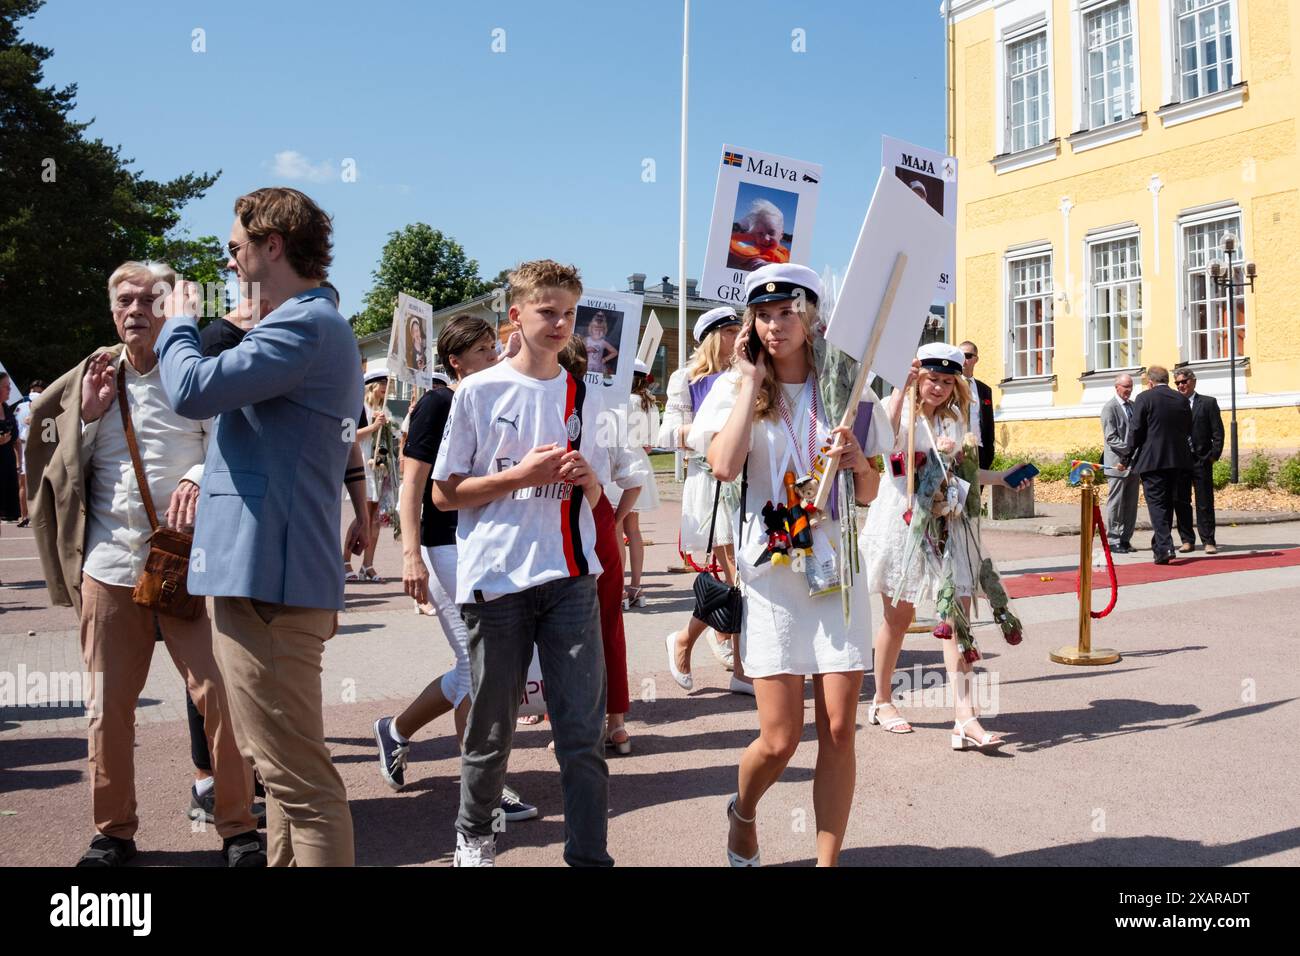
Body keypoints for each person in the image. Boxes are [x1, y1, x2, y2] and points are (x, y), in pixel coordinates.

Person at [25, 260, 261, 867]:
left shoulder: (195, 372)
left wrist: (193, 475)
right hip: (108, 564)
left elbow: (229, 442)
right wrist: (86, 417)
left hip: (189, 561)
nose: (135, 310)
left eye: (148, 299)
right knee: (108, 707)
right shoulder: (90, 378)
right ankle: (114, 832)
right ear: (112, 310)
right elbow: (46, 465)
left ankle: (237, 826)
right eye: (124, 300)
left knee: (221, 698)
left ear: (168, 307)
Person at [155, 187, 365, 867]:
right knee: (281, 778)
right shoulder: (308, 321)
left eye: (238, 240)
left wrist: (180, 325)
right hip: (270, 577)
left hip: (269, 581)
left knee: (301, 785)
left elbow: (190, 389)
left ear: (273, 244)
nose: (230, 251)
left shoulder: (304, 324)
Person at [690, 263, 882, 867]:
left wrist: (857, 463)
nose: (775, 325)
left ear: (812, 316)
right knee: (779, 740)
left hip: (836, 569)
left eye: (787, 312)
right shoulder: (731, 386)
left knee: (841, 731)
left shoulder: (847, 387)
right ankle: (742, 810)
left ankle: (828, 862)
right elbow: (723, 466)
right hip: (772, 572)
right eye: (764, 316)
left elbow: (873, 492)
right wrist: (749, 383)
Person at [431, 259, 612, 868]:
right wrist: (518, 477)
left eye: (569, 314)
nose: (562, 324)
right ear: (516, 315)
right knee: (492, 726)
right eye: (548, 312)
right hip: (498, 581)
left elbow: (602, 492)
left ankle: (589, 857)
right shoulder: (479, 390)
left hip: (570, 579)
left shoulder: (586, 391)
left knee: (582, 734)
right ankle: (474, 836)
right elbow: (443, 492)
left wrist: (587, 480)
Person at [376, 313, 537, 822]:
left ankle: (396, 730)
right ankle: (484, 790)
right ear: (456, 361)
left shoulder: (488, 398)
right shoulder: (438, 403)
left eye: (496, 347)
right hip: (443, 547)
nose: (494, 357)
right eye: (484, 351)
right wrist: (410, 556)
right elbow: (411, 485)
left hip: (479, 544)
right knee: (476, 667)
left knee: (478, 665)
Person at [865, 343, 1032, 748]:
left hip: (948, 523)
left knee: (957, 616)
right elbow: (881, 447)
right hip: (904, 521)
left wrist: (1004, 476)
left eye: (945, 381)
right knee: (898, 617)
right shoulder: (899, 406)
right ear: (917, 378)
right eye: (931, 379)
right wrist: (902, 392)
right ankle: (882, 700)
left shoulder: (956, 420)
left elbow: (965, 473)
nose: (937, 388)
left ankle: (965, 717)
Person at [558, 334, 644, 755]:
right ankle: (615, 721)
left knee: (553, 619)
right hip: (597, 512)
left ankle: (565, 714)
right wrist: (614, 520)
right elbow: (636, 476)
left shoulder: (550, 400)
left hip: (563, 513)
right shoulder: (608, 406)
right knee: (607, 620)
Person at [659, 306, 747, 687]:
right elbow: (665, 436)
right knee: (738, 575)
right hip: (712, 482)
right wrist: (708, 430)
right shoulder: (686, 377)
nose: (739, 335)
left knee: (746, 575)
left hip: (749, 480)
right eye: (730, 330)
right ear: (714, 336)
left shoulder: (747, 374)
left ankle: (701, 638)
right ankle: (734, 662)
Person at [1117, 365, 1192, 566]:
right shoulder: (1181, 399)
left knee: (1157, 504)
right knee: (1167, 503)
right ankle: (1159, 547)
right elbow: (1188, 428)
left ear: (1150, 382)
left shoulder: (1144, 398)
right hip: (1177, 459)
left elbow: (1136, 431)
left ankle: (1166, 547)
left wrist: (1125, 458)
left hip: (1153, 460)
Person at [345, 363, 393, 583]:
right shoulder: (360, 406)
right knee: (361, 516)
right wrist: (373, 427)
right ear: (372, 386)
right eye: (382, 383)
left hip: (381, 467)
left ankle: (368, 565)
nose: (385, 387)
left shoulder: (388, 408)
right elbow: (350, 436)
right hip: (363, 464)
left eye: (387, 383)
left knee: (374, 518)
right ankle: (345, 561)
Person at [618, 359, 660, 609]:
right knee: (633, 530)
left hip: (621, 463)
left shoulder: (623, 401)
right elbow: (650, 444)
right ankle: (636, 586)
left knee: (615, 529)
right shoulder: (650, 404)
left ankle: (618, 589)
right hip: (641, 463)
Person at [1173, 369, 1224, 554]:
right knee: (1181, 502)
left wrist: (1213, 456)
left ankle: (1208, 540)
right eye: (1177, 383)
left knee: (1205, 502)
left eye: (1184, 381)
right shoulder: (1173, 404)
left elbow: (1218, 432)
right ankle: (1187, 540)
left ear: (1193, 381)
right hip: (1180, 461)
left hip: (1202, 460)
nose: (1180, 385)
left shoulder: (1208, 403)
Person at [1101, 373, 1140, 554]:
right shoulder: (1110, 407)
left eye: (1131, 386)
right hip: (1117, 464)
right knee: (1115, 504)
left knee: (1131, 504)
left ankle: (1126, 539)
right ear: (1117, 387)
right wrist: (1129, 449)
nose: (1129, 390)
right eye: (1126, 387)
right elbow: (1110, 437)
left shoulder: (1133, 406)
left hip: (1134, 464)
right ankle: (1113, 539)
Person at [12, 378, 43, 528]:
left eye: (39, 392)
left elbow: (50, 432)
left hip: (40, 448)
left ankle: (39, 515)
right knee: (22, 482)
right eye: (33, 392)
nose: (35, 394)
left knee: (40, 483)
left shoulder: (48, 406)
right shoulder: (21, 407)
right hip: (24, 447)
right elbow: (15, 430)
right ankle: (24, 515)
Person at [958, 341, 995, 470]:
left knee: (978, 489)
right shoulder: (950, 385)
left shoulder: (985, 390)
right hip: (956, 450)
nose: (963, 360)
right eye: (959, 355)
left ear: (976, 359)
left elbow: (989, 422)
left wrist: (989, 452)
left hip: (980, 450)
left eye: (967, 356)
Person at [727, 199, 789, 270]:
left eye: (771, 233)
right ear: (754, 235)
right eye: (760, 233)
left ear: (781, 234)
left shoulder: (784, 253)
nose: (766, 238)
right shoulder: (752, 252)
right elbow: (757, 264)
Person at [0, 372, 19, 521]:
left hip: (7, 466)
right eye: (7, 387)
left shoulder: (7, 409)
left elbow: (16, 439)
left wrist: (19, 462)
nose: (10, 390)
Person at [583, 311, 618, 376]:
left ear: (604, 331)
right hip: (586, 366)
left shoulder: (603, 342)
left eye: (601, 330)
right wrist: (587, 349)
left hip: (599, 367)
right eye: (596, 330)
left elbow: (615, 352)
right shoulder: (586, 340)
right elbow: (578, 350)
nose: (598, 332)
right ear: (591, 329)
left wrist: (605, 359)